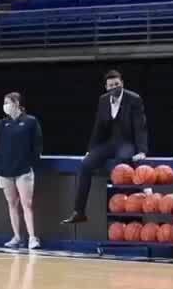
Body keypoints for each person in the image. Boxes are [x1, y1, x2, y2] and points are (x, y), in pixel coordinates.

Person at [62, 69, 147, 224]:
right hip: (110, 143)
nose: (114, 87)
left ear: (122, 83)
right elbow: (98, 127)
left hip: (127, 143)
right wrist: (91, 149)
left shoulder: (133, 99)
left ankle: (118, 214)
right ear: (106, 87)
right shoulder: (103, 100)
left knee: (119, 166)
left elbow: (140, 126)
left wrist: (141, 150)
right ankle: (79, 211)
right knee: (86, 164)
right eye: (110, 85)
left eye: (116, 84)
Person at [0, 92, 42, 249]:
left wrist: (30, 164)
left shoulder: (30, 121)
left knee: (26, 204)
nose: (5, 105)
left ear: (16, 103)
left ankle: (32, 238)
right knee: (11, 203)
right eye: (4, 102)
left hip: (23, 170)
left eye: (7, 102)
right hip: (5, 171)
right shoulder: (3, 123)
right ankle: (16, 237)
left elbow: (37, 145)